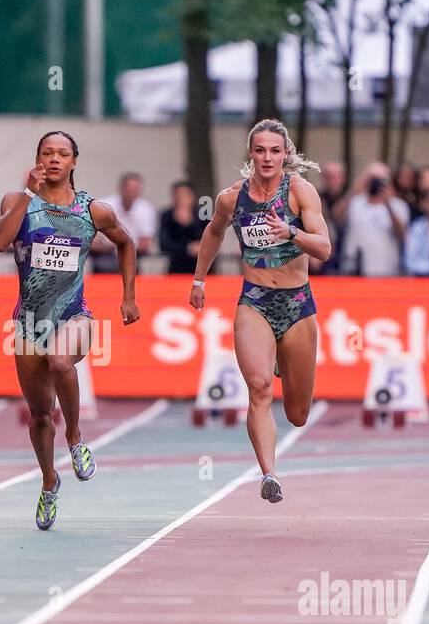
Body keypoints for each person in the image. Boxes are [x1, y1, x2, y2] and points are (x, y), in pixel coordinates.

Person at [0, 131, 140, 530]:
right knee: (40, 415)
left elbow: (127, 244)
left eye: (62, 154)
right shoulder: (18, 201)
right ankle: (49, 481)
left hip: (75, 315)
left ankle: (74, 437)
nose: (54, 159)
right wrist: (26, 192)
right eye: (46, 153)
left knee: (61, 362)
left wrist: (128, 296)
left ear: (74, 162)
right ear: (37, 159)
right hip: (27, 323)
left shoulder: (94, 211)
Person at [190, 119, 332, 504]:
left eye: (275, 150)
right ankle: (269, 473)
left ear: (286, 154)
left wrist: (292, 233)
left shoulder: (300, 192)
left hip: (297, 305)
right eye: (260, 150)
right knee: (259, 388)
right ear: (250, 153)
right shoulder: (231, 198)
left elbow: (324, 248)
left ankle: (282, 359)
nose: (267, 158)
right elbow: (214, 232)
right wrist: (199, 279)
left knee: (298, 413)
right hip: (254, 301)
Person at [341, 161, 409, 276]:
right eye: (372, 179)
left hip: (387, 270)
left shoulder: (398, 205)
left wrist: (388, 204)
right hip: (354, 269)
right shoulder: (356, 202)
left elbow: (403, 235)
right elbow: (337, 218)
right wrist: (354, 190)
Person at [92, 172, 157, 271]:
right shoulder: (104, 205)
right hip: (104, 256)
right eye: (129, 189)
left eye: (135, 190)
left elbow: (145, 244)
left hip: (133, 255)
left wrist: (123, 246)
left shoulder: (146, 209)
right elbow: (92, 241)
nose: (131, 193)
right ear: (121, 188)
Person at [157, 180, 207, 275]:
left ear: (192, 197)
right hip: (177, 267)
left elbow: (209, 239)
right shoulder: (167, 216)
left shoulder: (203, 215)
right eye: (177, 196)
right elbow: (164, 243)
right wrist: (187, 248)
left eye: (185, 195)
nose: (181, 199)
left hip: (201, 268)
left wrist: (189, 224)